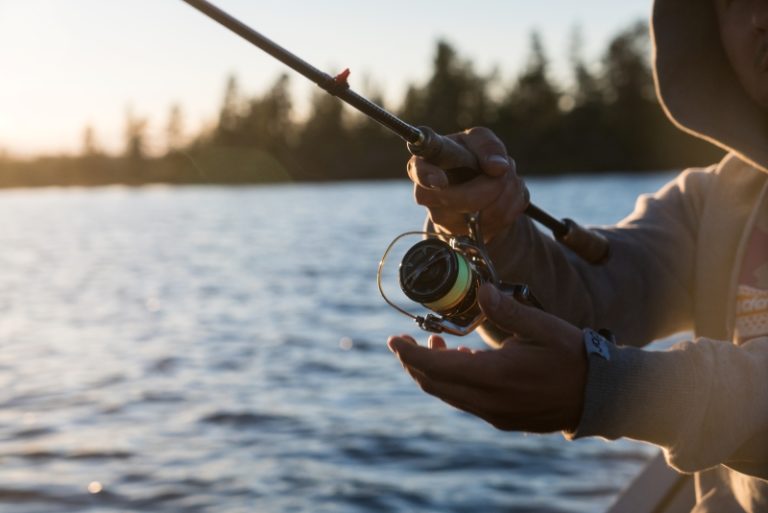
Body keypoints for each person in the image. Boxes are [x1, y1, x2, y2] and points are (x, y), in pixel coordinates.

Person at [387, 0, 768, 511]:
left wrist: (617, 389)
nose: (759, 17)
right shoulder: (714, 203)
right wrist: (492, 231)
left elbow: (603, 369)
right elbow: (593, 299)